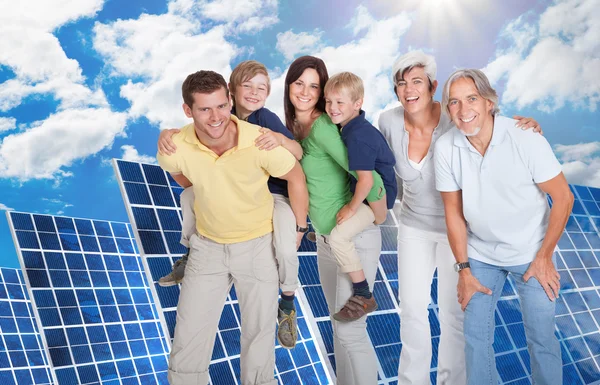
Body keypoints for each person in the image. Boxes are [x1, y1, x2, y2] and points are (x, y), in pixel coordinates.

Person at [379, 50, 543, 385]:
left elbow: (489, 126)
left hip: (460, 231)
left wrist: (526, 127)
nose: (409, 89)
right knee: (412, 310)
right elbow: (376, 165)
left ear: (432, 86)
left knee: (454, 314)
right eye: (401, 83)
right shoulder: (388, 122)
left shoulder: (455, 116)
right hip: (413, 227)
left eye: (417, 82)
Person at [157, 70, 308, 385]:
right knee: (188, 339)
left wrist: (299, 226)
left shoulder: (258, 138)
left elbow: (295, 174)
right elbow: (185, 181)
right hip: (207, 250)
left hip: (257, 247)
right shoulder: (174, 147)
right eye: (204, 109)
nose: (216, 117)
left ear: (229, 100)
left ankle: (288, 302)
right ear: (188, 110)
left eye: (222, 106)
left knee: (258, 337)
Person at [435, 68, 573, 385]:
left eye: (471, 99)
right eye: (454, 102)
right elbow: (453, 214)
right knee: (475, 340)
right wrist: (464, 270)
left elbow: (563, 198)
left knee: (542, 339)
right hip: (481, 254)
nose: (463, 110)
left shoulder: (525, 138)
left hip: (531, 251)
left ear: (489, 102)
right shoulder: (445, 148)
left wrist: (544, 257)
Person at [285, 55, 383, 384]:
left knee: (351, 335)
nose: (306, 91)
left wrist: (378, 210)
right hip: (326, 242)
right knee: (339, 331)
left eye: (314, 85)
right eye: (300, 83)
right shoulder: (294, 129)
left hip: (353, 238)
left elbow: (369, 177)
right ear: (289, 85)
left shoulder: (323, 128)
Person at [323, 71, 397, 322]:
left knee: (339, 238)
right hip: (365, 192)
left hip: (375, 197)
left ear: (357, 103)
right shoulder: (350, 127)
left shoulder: (358, 136)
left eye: (339, 103)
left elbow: (367, 180)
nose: (332, 108)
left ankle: (364, 293)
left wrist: (352, 209)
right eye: (328, 102)